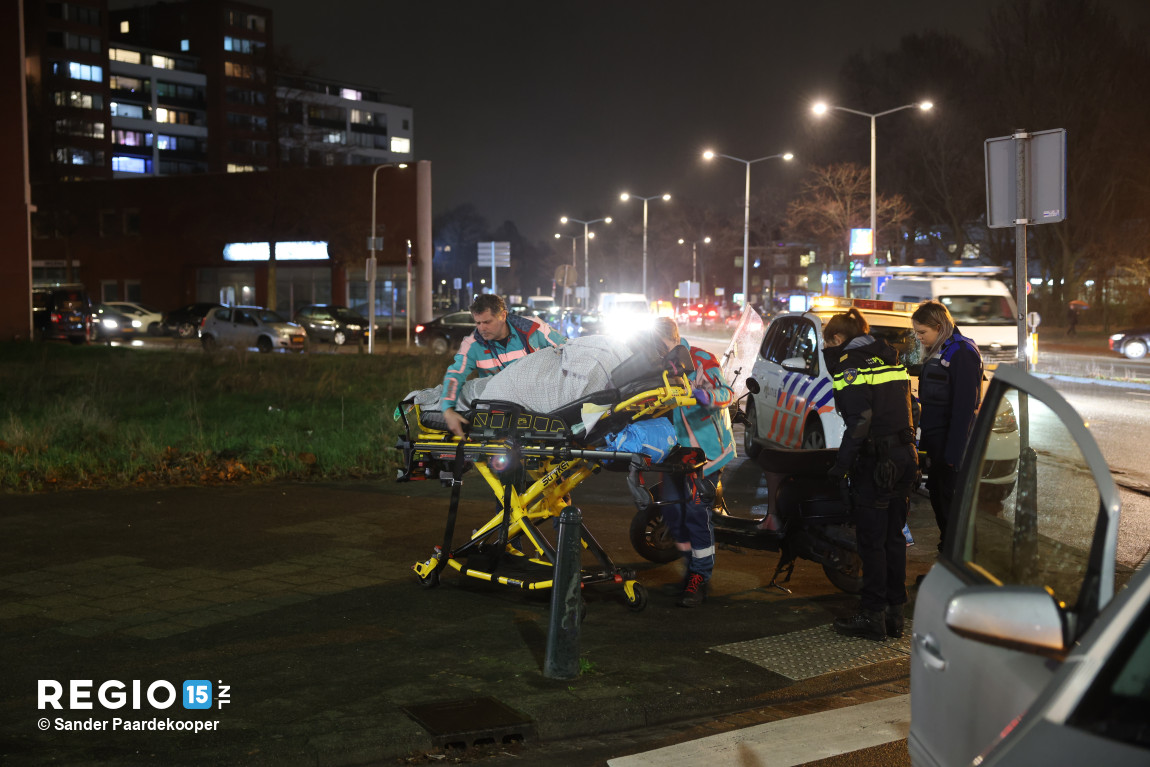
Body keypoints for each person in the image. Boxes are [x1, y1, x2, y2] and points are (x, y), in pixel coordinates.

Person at [823, 308, 918, 640]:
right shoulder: (890, 358)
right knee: (894, 538)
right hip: (904, 457)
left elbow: (859, 422)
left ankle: (873, 616)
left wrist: (842, 465)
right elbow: (913, 407)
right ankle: (896, 614)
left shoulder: (850, 365)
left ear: (837, 339)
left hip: (877, 464)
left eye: (829, 342)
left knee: (871, 542)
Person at [649, 318, 737, 607]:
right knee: (673, 514)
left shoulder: (701, 359)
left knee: (695, 514)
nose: (657, 352)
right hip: (674, 455)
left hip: (706, 454)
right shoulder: (655, 362)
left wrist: (704, 395)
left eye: (660, 346)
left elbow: (727, 394)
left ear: (673, 338)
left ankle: (699, 577)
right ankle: (691, 567)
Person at [911, 300, 982, 552]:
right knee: (940, 497)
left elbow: (964, 408)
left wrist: (954, 454)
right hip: (937, 443)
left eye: (922, 332)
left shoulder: (961, 353)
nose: (919, 338)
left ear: (939, 327)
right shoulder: (942, 350)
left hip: (952, 446)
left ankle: (960, 557)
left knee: (951, 502)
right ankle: (949, 551)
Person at [440, 294, 564, 437]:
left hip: (541, 406)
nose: (482, 329)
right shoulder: (472, 345)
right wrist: (447, 409)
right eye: (478, 323)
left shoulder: (534, 329)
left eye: (487, 322)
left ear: (503, 315)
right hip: (501, 415)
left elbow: (567, 349)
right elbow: (455, 374)